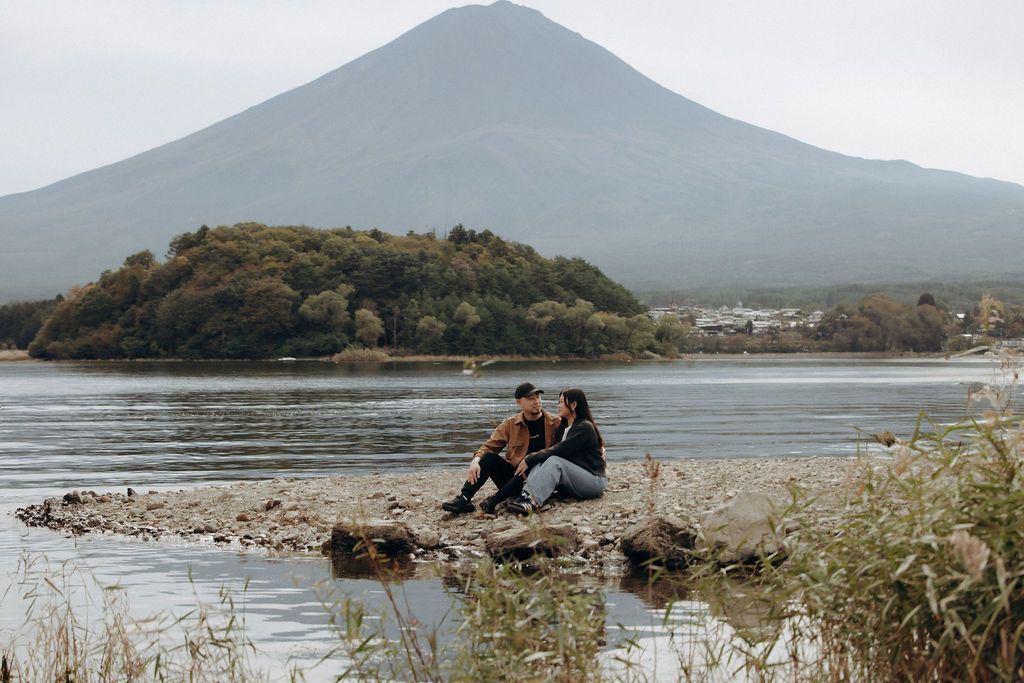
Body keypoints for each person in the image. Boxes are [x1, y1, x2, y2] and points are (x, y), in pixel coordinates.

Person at [441, 382, 562, 514]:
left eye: (538, 397)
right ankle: (464, 499)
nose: (537, 401)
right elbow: (489, 446)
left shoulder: (555, 423)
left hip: (539, 480)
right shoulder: (510, 424)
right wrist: (475, 461)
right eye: (531, 398)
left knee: (534, 463)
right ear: (519, 402)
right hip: (512, 479)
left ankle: (498, 500)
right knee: (488, 457)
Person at [506, 387, 608, 515]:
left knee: (553, 461)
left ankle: (532, 502)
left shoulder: (584, 427)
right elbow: (552, 452)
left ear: (573, 404)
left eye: (561, 402)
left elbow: (559, 450)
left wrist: (530, 457)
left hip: (594, 481)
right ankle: (525, 495)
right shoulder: (562, 428)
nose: (558, 405)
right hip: (575, 479)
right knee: (543, 460)